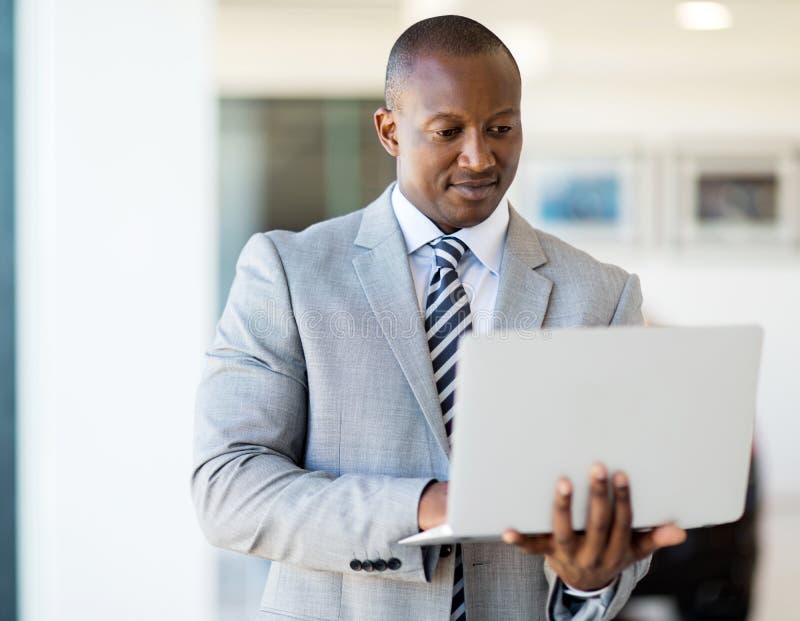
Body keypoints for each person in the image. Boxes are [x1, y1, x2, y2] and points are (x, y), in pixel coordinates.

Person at [192, 15, 686, 621]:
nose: (479, 156)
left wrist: (589, 580)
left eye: (501, 127)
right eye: (448, 130)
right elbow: (230, 489)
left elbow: (619, 499)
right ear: (390, 130)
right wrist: (433, 504)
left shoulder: (602, 295)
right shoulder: (289, 272)